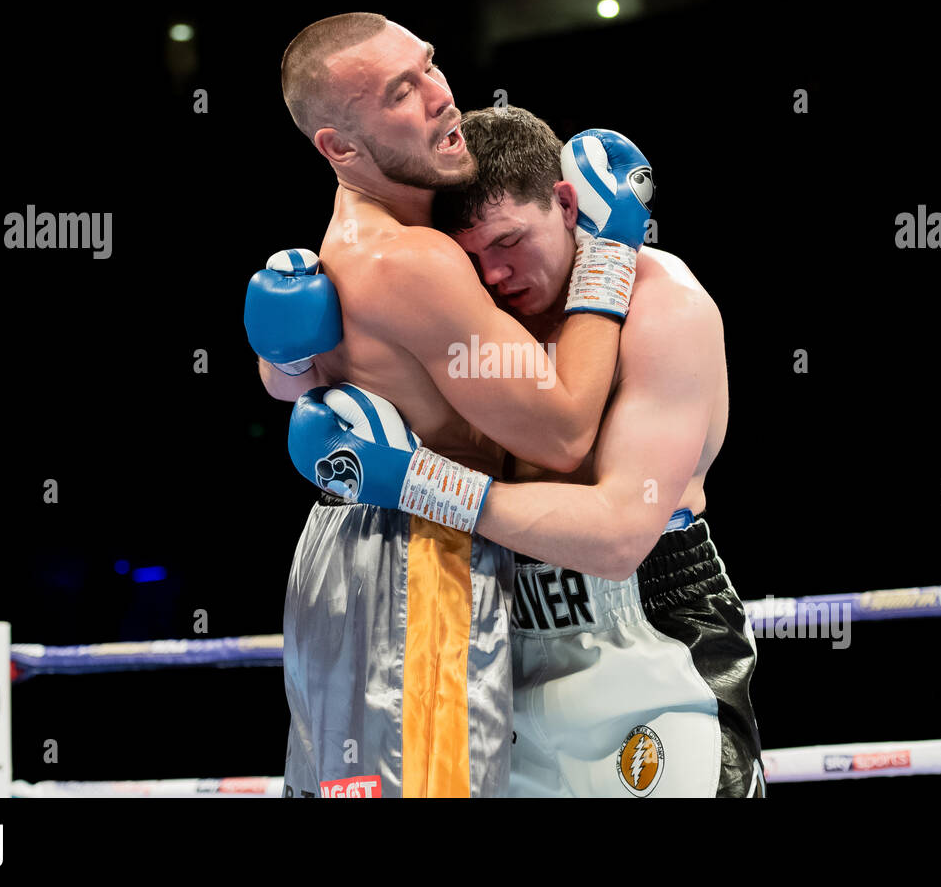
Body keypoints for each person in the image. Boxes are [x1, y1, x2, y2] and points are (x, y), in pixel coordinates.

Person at [289, 106, 763, 796]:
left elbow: (619, 538)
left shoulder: (664, 308)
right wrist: (288, 353)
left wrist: (416, 483)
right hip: (491, 628)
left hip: (647, 627)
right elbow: (314, 386)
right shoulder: (475, 326)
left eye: (508, 241)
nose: (495, 275)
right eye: (470, 258)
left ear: (566, 203)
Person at [245, 13, 649, 797]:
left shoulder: (385, 236)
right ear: (340, 146)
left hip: (374, 555)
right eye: (402, 91)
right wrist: (610, 252)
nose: (440, 97)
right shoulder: (412, 259)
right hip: (419, 564)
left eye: (429, 67)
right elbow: (564, 430)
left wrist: (284, 364)